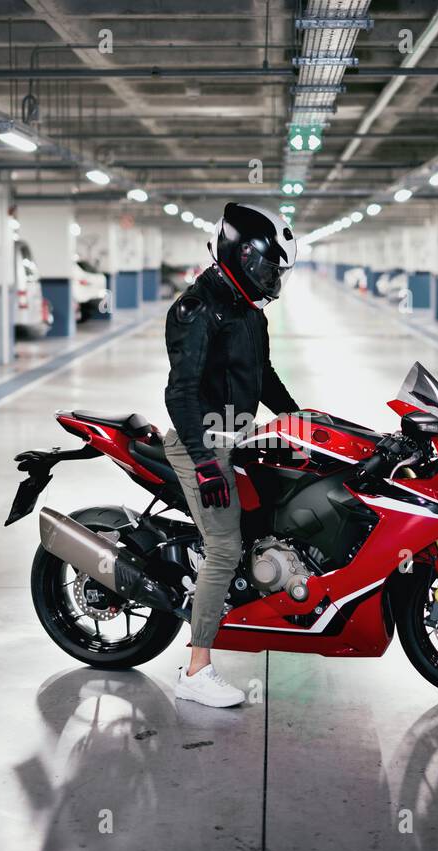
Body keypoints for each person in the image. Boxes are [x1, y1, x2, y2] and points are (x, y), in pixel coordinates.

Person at [163, 203, 300, 708]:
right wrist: (202, 461)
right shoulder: (197, 309)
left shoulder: (247, 309)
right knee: (224, 546)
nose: (271, 278)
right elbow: (180, 394)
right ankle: (196, 670)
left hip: (234, 434)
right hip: (197, 438)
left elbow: (262, 377)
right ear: (241, 257)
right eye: (267, 267)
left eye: (275, 270)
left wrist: (302, 418)